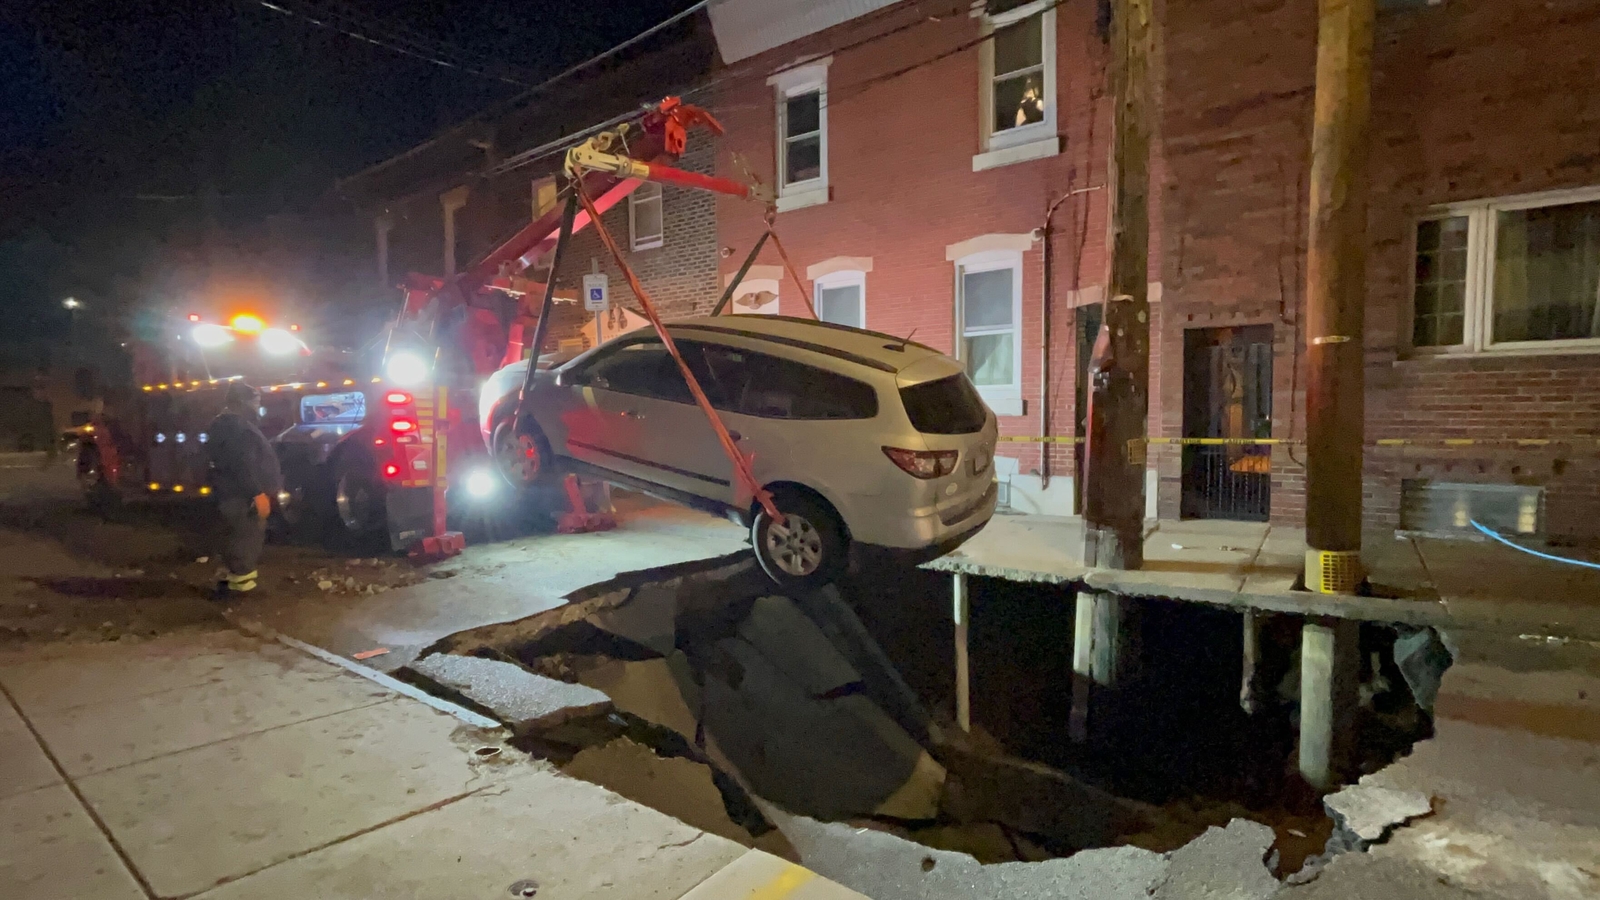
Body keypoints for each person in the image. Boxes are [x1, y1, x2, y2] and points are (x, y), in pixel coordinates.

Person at [204, 383, 281, 595]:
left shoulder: (226, 425)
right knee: (246, 537)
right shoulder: (236, 427)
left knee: (236, 537)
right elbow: (242, 464)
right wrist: (257, 494)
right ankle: (242, 588)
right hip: (240, 496)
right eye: (255, 401)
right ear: (243, 402)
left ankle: (233, 582)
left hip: (232, 493)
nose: (258, 406)